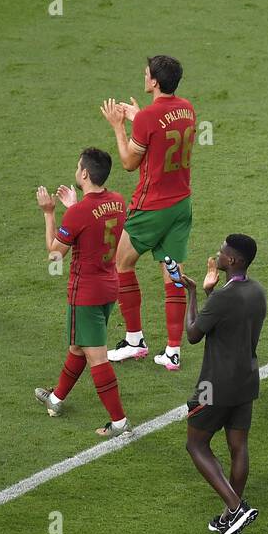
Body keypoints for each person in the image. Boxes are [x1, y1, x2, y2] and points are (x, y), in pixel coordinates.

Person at [100, 56, 196, 370]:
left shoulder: (148, 118)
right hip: (181, 204)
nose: (144, 77)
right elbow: (161, 130)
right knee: (173, 273)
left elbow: (129, 162)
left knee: (121, 264)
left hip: (151, 206)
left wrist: (119, 127)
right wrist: (140, 116)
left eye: (146, 74)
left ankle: (134, 340)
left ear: (154, 81)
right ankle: (172, 351)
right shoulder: (188, 109)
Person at [33, 147, 133, 437]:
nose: (76, 170)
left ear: (85, 173)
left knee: (96, 357)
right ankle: (56, 399)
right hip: (108, 286)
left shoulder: (78, 213)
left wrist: (50, 213)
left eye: (78, 167)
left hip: (85, 293)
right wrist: (75, 207)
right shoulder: (117, 202)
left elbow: (55, 254)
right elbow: (93, 224)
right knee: (78, 345)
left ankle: (119, 422)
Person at [180, 236, 268, 534]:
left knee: (196, 445)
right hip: (247, 380)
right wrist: (209, 293)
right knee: (238, 447)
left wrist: (193, 294)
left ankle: (236, 506)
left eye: (224, 251)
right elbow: (228, 321)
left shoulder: (222, 299)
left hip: (213, 385)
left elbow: (193, 334)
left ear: (234, 261)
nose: (219, 253)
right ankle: (230, 516)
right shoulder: (257, 291)